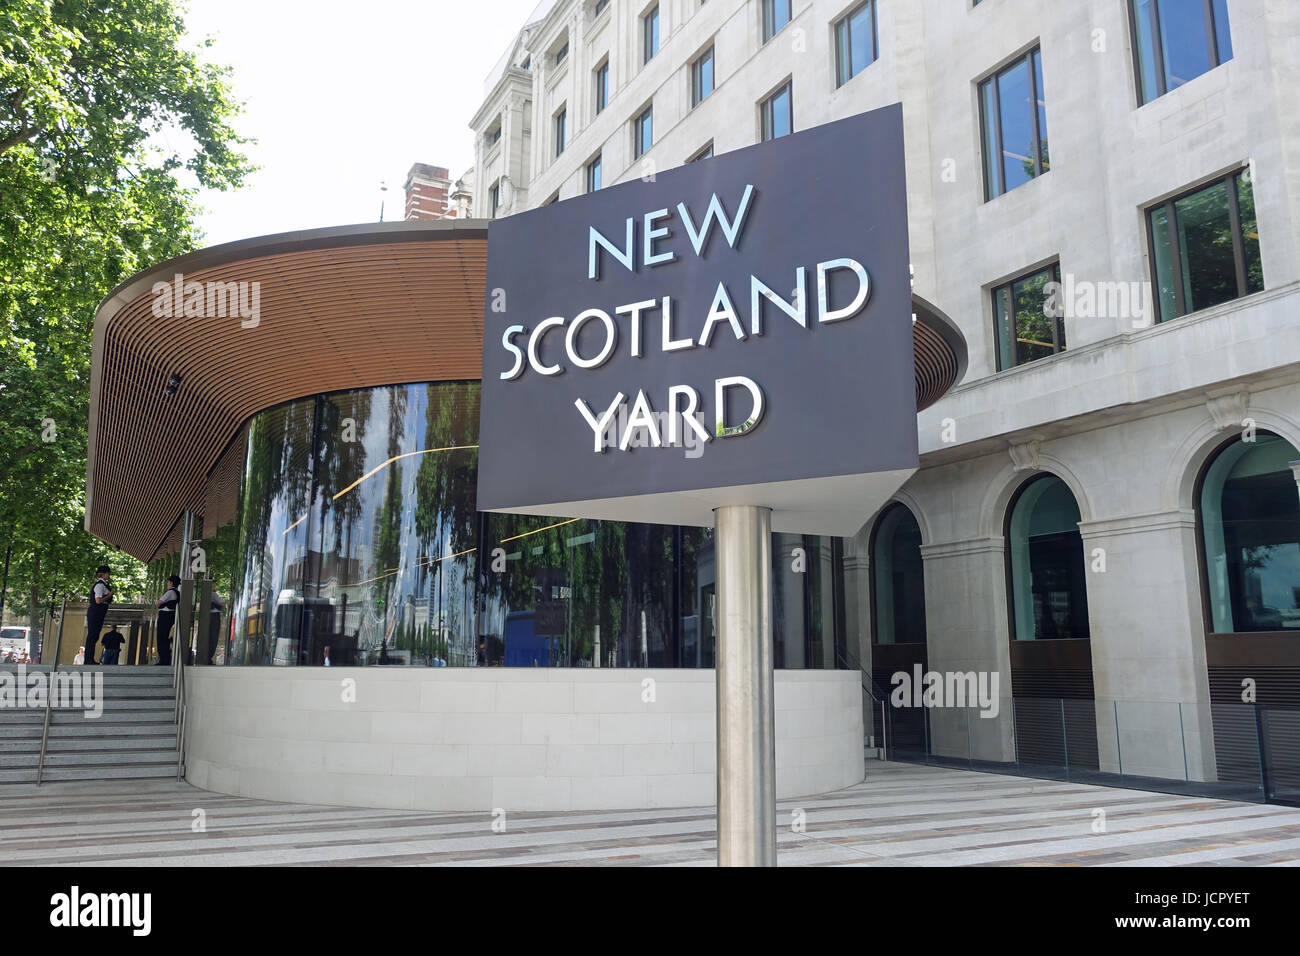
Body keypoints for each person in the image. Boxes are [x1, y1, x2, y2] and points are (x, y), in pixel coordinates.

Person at [85, 565, 113, 665]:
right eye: (108, 573)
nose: (109, 575)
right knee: (92, 636)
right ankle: (88, 660)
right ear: (104, 574)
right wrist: (109, 596)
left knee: (94, 636)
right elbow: (98, 600)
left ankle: (89, 659)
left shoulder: (103, 584)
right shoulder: (100, 585)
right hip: (96, 611)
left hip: (99, 612)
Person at [156, 574, 180, 666]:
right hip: (170, 616)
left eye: (168, 582)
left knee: (161, 637)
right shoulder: (177, 593)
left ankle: (163, 659)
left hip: (165, 616)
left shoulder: (170, 592)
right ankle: (165, 658)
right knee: (164, 637)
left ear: (171, 583)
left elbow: (159, 603)